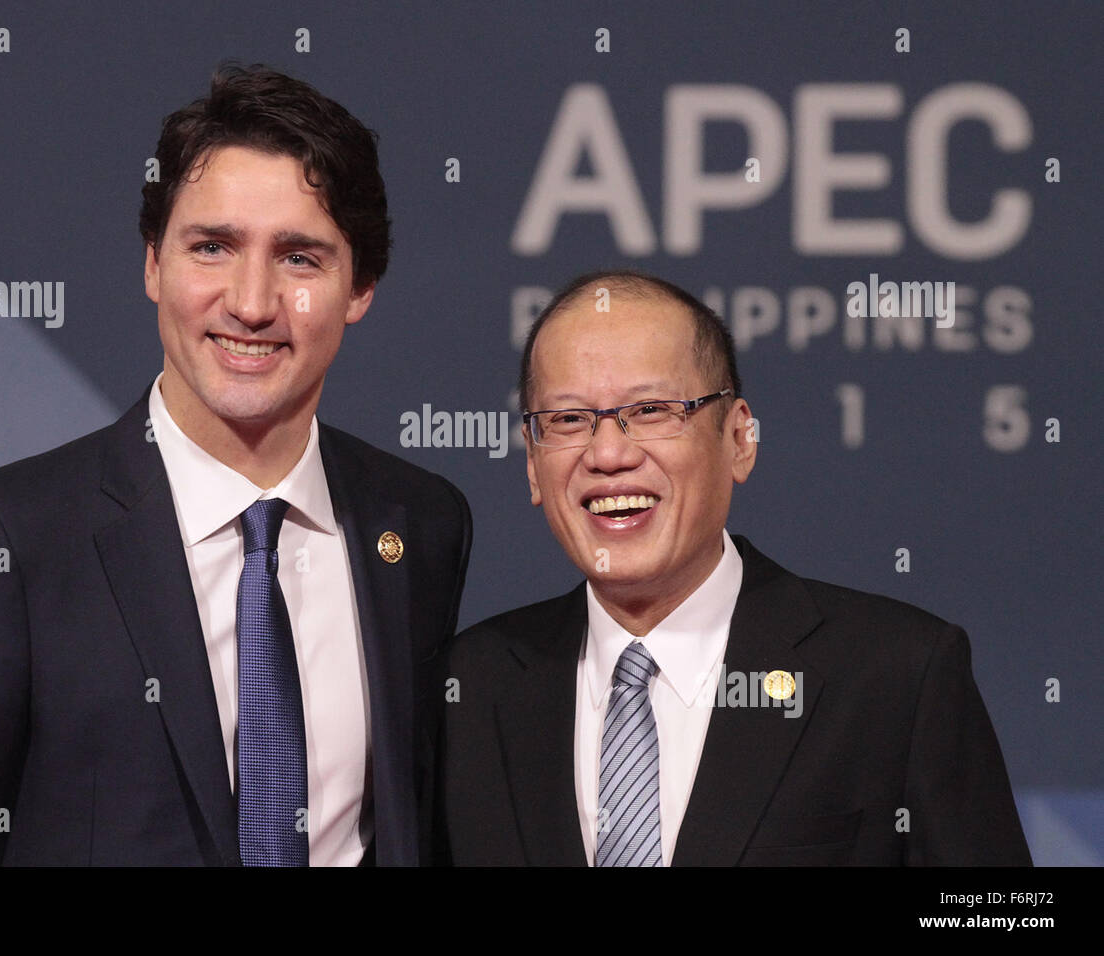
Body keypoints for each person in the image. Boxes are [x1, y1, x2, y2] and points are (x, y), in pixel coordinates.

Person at [0, 63, 472, 866]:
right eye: (212, 247)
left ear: (362, 287)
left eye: (300, 259)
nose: (250, 302)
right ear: (153, 265)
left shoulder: (418, 522)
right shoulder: (3, 545)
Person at [437, 269, 1029, 866]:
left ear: (740, 438)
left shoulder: (898, 675)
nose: (608, 454)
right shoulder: (467, 690)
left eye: (650, 410)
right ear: (534, 465)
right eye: (567, 420)